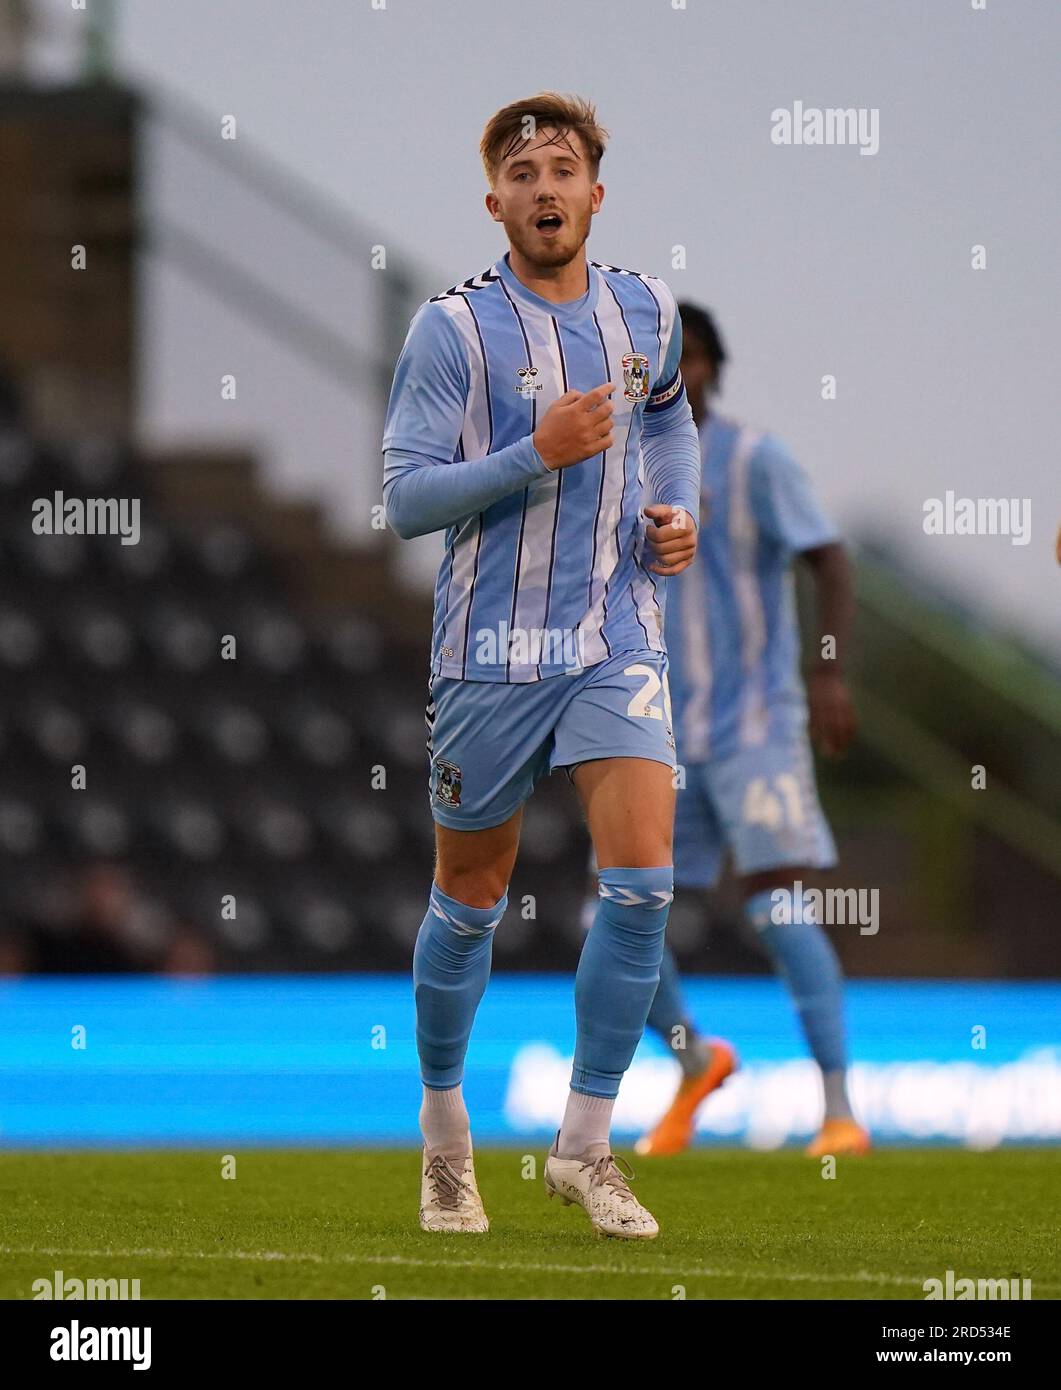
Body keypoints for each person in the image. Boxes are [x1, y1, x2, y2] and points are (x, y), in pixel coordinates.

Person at [382, 92, 701, 1238]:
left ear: (594, 194)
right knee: (468, 898)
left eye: (562, 169)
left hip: (614, 637)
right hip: (487, 649)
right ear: (495, 203)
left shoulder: (643, 312)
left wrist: (677, 511)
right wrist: (534, 451)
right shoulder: (450, 330)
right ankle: (444, 1141)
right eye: (522, 176)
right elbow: (405, 498)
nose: (545, 189)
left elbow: (667, 421)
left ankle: (583, 1143)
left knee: (643, 879)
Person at [635, 303, 870, 1159]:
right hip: (654, 727)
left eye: (691, 358)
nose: (678, 374)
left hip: (756, 725)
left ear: (712, 366)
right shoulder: (622, 469)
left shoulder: (755, 460)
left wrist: (830, 668)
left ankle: (838, 1108)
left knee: (776, 904)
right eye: (663, 360)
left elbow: (829, 558)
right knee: (620, 916)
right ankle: (693, 1061)